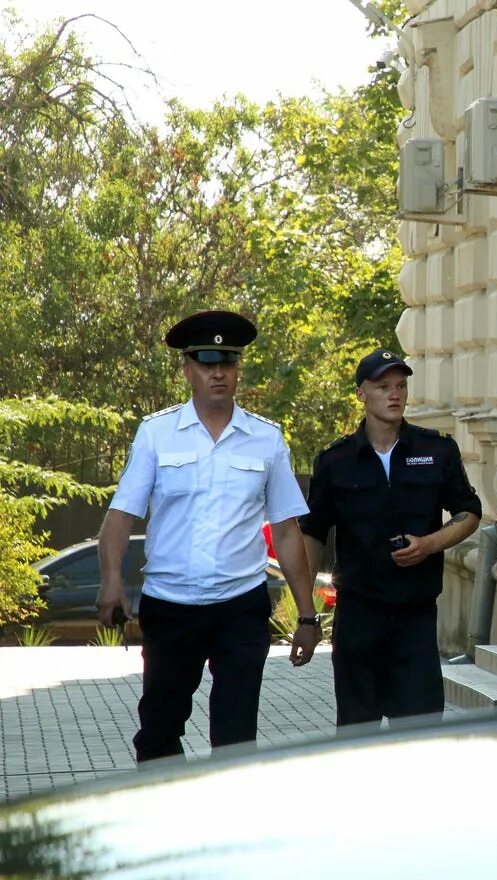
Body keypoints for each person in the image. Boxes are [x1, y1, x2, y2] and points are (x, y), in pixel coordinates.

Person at [96, 310, 321, 763]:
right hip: (171, 607)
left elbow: (287, 530)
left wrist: (307, 614)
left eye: (228, 362)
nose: (218, 372)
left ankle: (226, 828)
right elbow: (121, 516)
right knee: (159, 731)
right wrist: (111, 581)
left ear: (238, 369)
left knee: (236, 738)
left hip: (241, 607)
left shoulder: (266, 439)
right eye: (205, 362)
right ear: (187, 370)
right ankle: (165, 822)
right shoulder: (156, 434)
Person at [300, 348, 481, 727]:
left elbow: (470, 513)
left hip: (415, 618)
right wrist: (306, 614)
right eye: (383, 387)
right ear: (362, 393)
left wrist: (430, 544)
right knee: (357, 734)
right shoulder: (335, 461)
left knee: (419, 733)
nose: (395, 394)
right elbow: (312, 535)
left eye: (400, 386)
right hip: (358, 617)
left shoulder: (436, 450)